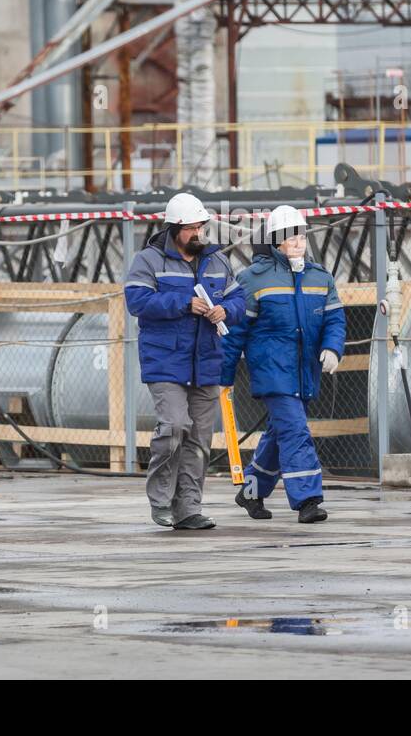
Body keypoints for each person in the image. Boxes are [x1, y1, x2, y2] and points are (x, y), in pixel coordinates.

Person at [125, 192, 245, 530]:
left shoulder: (217, 261)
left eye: (201, 227)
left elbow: (238, 298)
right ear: (175, 228)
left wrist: (227, 310)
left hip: (206, 363)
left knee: (199, 440)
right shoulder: (148, 261)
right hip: (165, 362)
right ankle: (161, 502)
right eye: (192, 228)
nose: (199, 234)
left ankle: (188, 509)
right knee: (175, 427)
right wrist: (183, 303)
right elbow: (137, 301)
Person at [220, 205, 345, 524]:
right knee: (295, 430)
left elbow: (335, 319)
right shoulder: (252, 280)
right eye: (291, 237)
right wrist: (224, 374)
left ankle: (250, 492)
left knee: (279, 435)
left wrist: (332, 348)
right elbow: (236, 331)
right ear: (276, 241)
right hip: (273, 371)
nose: (298, 242)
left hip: (305, 371)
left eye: (302, 236)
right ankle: (308, 500)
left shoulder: (320, 277)